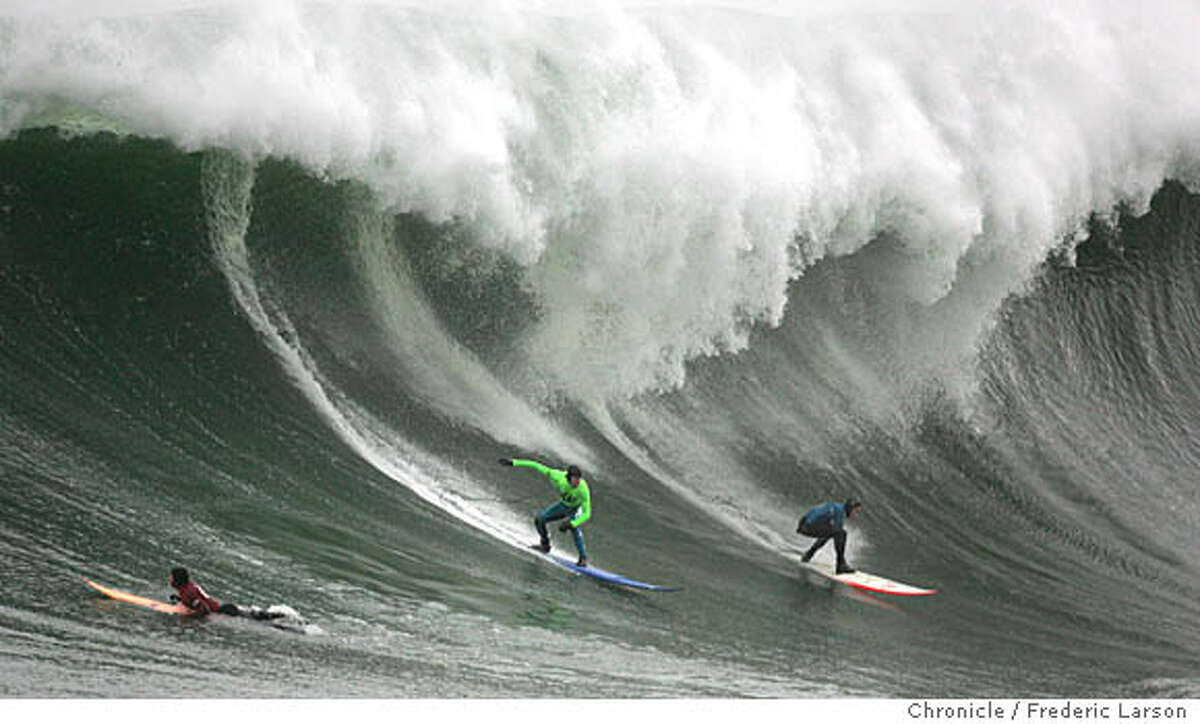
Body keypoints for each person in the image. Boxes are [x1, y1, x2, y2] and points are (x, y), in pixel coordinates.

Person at [500, 457, 591, 567]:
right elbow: (536, 465)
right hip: (563, 506)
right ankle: (545, 545)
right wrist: (514, 462)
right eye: (575, 479)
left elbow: (587, 513)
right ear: (568, 478)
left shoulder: (583, 489)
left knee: (573, 528)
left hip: (576, 509)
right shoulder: (557, 476)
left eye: (579, 479)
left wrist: (572, 523)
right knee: (540, 519)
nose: (577, 481)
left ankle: (583, 558)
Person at [168, 567, 284, 620]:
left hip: (226, 612)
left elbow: (204, 610)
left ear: (178, 580)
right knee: (256, 616)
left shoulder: (188, 592)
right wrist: (179, 599)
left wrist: (187, 617)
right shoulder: (187, 588)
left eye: (172, 577)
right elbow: (197, 601)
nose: (170, 579)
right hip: (225, 608)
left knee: (258, 619)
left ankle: (283, 616)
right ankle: (280, 615)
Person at [796, 499, 862, 574]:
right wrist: (805, 525)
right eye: (856, 512)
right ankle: (841, 565)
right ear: (850, 508)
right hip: (807, 526)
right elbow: (817, 513)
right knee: (841, 533)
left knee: (832, 532)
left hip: (805, 523)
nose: (856, 515)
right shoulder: (839, 512)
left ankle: (808, 555)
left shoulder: (837, 508)